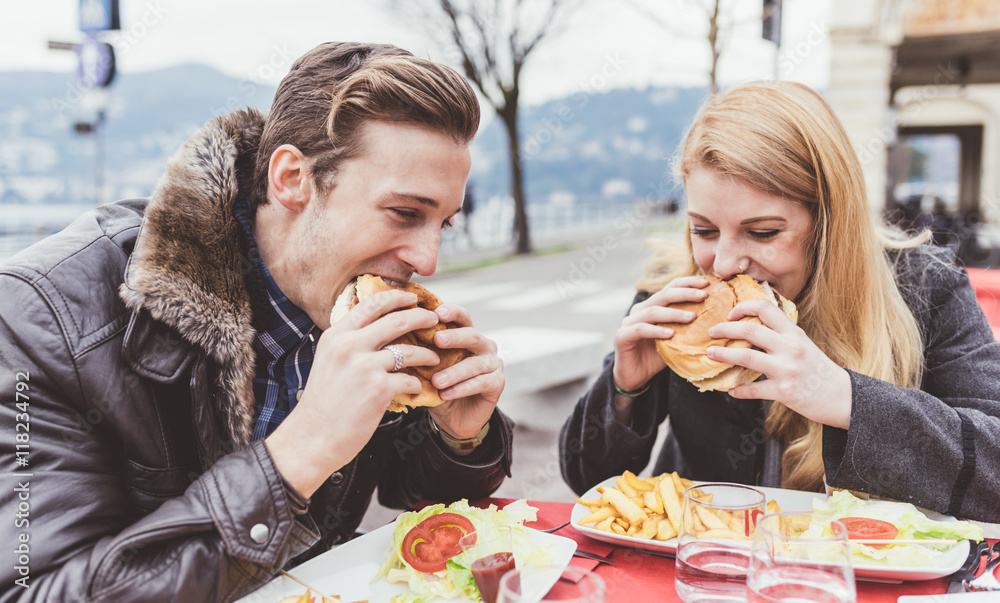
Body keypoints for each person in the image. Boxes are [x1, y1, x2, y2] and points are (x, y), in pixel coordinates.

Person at [0, 42, 513, 601]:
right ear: (292, 179)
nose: (428, 260)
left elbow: (405, 488)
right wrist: (298, 453)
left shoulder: (340, 297)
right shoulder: (40, 318)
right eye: (405, 214)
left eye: (444, 222)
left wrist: (457, 436)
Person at [559, 81, 1000, 522]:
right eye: (705, 230)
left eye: (763, 232)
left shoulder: (927, 287)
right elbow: (584, 477)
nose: (726, 263)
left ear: (829, 223)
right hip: (703, 561)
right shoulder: (673, 294)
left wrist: (849, 400)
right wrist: (623, 388)